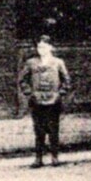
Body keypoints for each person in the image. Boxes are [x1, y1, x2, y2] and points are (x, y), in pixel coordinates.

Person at [18, 34, 69, 167]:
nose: (41, 49)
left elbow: (66, 80)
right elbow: (22, 80)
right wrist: (30, 93)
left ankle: (55, 157)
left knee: (53, 130)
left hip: (53, 100)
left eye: (44, 47)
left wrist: (60, 93)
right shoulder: (31, 62)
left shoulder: (58, 62)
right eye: (39, 47)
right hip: (37, 100)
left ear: (50, 47)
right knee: (39, 130)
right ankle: (38, 158)